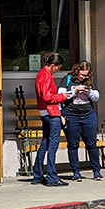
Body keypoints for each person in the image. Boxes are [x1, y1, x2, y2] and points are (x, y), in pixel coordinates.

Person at [60, 60, 102, 181]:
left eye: (86, 75)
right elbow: (61, 95)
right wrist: (75, 91)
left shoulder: (90, 81)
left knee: (91, 143)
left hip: (88, 114)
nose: (84, 77)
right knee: (73, 144)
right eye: (82, 75)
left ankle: (96, 171)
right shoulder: (67, 79)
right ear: (77, 71)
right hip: (71, 115)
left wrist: (88, 92)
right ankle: (76, 172)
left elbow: (97, 97)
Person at [32, 52, 69, 187]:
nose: (58, 70)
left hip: (44, 113)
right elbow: (48, 97)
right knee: (53, 145)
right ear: (52, 66)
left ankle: (37, 175)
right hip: (51, 113)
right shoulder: (46, 76)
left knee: (45, 143)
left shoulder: (41, 75)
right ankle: (52, 177)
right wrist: (62, 96)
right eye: (58, 67)